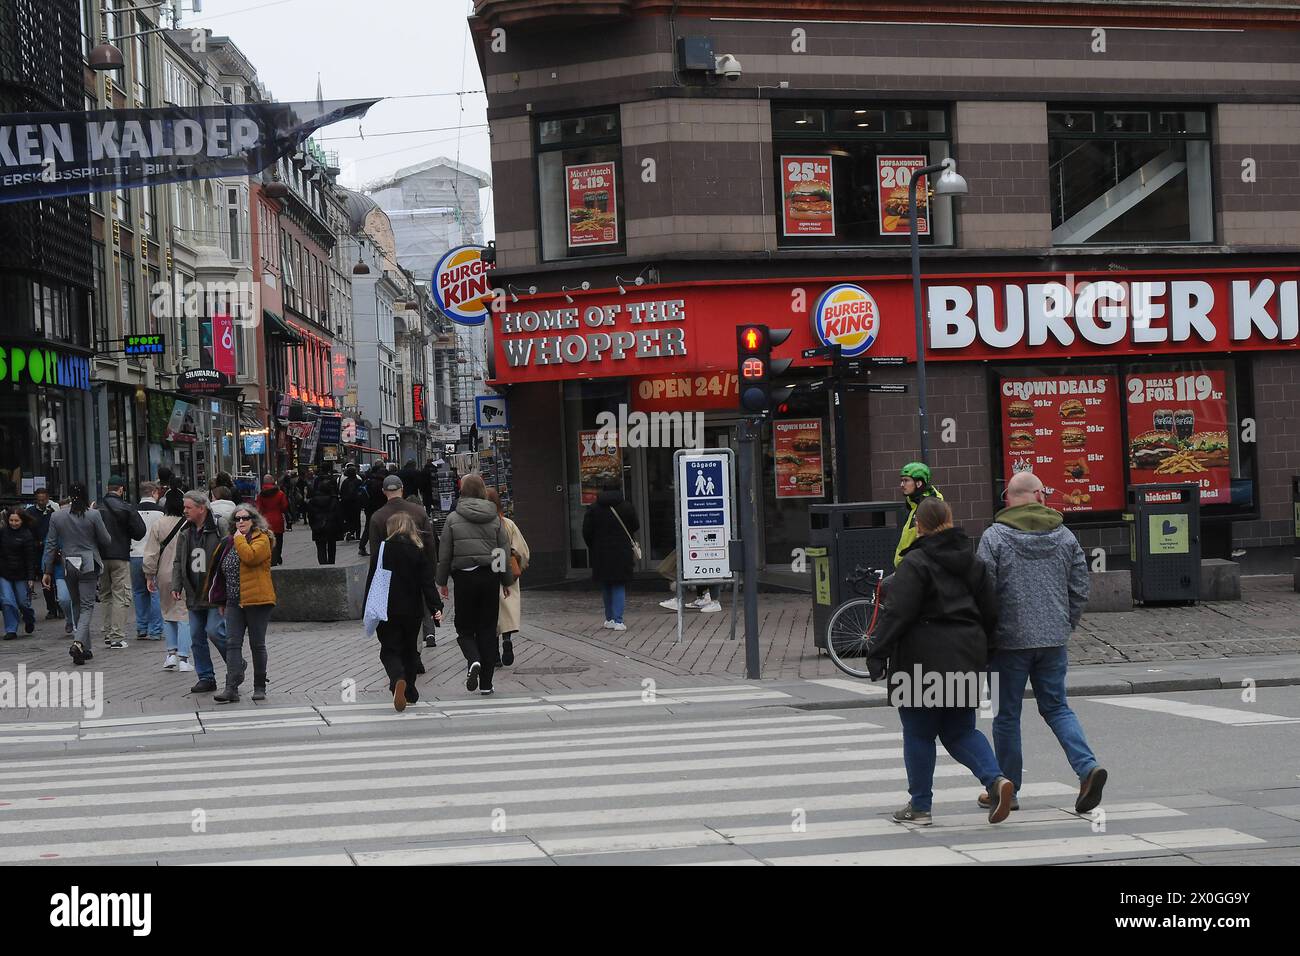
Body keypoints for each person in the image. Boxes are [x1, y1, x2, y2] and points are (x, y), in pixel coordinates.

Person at [864, 497, 1016, 827]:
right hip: (966, 653)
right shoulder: (973, 563)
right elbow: (991, 612)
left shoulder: (916, 562)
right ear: (949, 519)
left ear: (919, 525)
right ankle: (996, 780)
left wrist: (877, 653)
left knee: (918, 733)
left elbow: (898, 613)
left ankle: (920, 806)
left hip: (921, 657)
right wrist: (986, 651)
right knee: (961, 731)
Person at [977, 470, 1107, 815]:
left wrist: (988, 634)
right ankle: (1086, 768)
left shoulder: (994, 538)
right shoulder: (1065, 537)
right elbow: (1080, 587)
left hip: (1008, 643)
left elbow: (984, 591)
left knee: (1006, 716)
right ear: (1038, 495)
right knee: (1057, 707)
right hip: (1053, 640)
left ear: (1009, 499)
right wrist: (1066, 623)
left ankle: (1008, 790)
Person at [436, 473, 514, 696]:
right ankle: (487, 684)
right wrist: (505, 580)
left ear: (462, 491)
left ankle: (473, 660)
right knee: (488, 629)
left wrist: (441, 581)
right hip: (490, 577)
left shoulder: (453, 518)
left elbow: (445, 553)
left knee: (464, 627)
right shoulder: (495, 518)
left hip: (465, 579)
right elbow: (503, 551)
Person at [375, 512, 444, 711]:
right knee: (410, 650)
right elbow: (427, 582)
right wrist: (435, 607)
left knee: (389, 649)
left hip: (387, 608)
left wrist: (367, 609)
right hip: (413, 609)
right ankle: (411, 691)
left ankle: (397, 679)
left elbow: (374, 576)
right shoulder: (417, 550)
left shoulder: (384, 549)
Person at [42, 483, 112, 658]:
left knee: (77, 604)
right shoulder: (93, 514)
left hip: (68, 563)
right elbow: (106, 540)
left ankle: (85, 648)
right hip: (88, 562)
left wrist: (47, 570)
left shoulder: (57, 516)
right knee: (88, 606)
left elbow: (50, 544)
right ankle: (78, 642)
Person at [215, 505, 277, 703]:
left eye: (245, 518)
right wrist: (221, 599)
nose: (240, 522)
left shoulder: (262, 539)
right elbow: (221, 571)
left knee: (257, 644)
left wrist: (239, 539)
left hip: (258, 600)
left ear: (254, 521)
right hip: (234, 601)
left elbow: (250, 557)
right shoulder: (229, 542)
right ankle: (231, 687)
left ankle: (260, 686)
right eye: (237, 519)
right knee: (232, 643)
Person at [171, 490, 230, 694]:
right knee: (196, 635)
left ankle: (234, 664)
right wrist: (176, 585)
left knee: (214, 631)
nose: (184, 511)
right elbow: (179, 560)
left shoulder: (219, 527)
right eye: (184, 507)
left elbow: (230, 555)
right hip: (194, 592)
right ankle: (206, 677)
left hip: (215, 591)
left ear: (201, 508)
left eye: (188, 507)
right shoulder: (185, 532)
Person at [143, 489, 192, 673]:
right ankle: (184, 657)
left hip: (163, 574)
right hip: (185, 574)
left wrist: (149, 575)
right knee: (184, 614)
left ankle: (170, 654)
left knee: (168, 612)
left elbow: (151, 553)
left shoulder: (159, 524)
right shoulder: (189, 524)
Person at [95, 475, 146, 648]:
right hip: (120, 556)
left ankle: (108, 633)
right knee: (120, 595)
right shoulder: (126, 507)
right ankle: (117, 636)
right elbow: (139, 531)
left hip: (100, 557)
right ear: (121, 489)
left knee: (105, 595)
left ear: (108, 488)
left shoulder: (97, 507)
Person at [581, 479, 639, 631]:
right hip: (622, 552)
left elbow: (586, 531)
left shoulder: (594, 508)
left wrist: (593, 546)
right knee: (619, 584)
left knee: (606, 584)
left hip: (601, 553)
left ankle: (610, 618)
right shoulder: (627, 506)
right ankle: (619, 621)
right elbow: (636, 525)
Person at [485, 488, 528, 666]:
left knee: (490, 613)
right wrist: (520, 565)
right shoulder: (507, 523)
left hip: (488, 570)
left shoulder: (483, 524)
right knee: (507, 609)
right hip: (508, 570)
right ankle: (507, 639)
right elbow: (522, 550)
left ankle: (494, 653)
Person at [129, 481, 165, 642]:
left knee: (138, 592)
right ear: (153, 493)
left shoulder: (132, 511)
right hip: (154, 556)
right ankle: (156, 630)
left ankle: (141, 628)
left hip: (135, 555)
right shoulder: (161, 513)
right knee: (155, 593)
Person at [0, 508, 40, 640]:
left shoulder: (27, 535)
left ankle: (29, 618)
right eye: (11, 520)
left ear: (22, 521)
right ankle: (11, 629)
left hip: (21, 574)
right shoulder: (3, 533)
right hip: (4, 572)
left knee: (23, 602)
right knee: (7, 601)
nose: (13, 523)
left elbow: (30, 558)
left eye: (16, 520)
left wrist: (30, 577)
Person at [25, 488, 59, 620]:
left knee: (56, 578)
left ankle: (59, 606)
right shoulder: (30, 513)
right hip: (38, 550)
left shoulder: (53, 511)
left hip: (53, 549)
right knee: (46, 579)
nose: (41, 502)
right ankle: (51, 608)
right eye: (39, 500)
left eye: (43, 500)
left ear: (47, 498)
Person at [307, 471, 343, 565]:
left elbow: (310, 516)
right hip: (331, 526)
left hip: (318, 527)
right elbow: (338, 515)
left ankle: (323, 566)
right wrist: (340, 528)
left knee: (320, 548)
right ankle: (331, 564)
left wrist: (313, 526)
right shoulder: (334, 500)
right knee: (332, 547)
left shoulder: (313, 501)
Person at [256, 475, 292, 566]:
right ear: (273, 481)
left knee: (267, 540)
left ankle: (270, 557)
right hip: (277, 519)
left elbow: (258, 508)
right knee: (279, 540)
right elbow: (284, 506)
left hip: (265, 520)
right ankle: (278, 556)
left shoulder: (261, 494)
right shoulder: (280, 493)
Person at [359, 463, 387, 558]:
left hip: (369, 508)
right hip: (380, 507)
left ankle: (362, 546)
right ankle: (380, 547)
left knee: (368, 527)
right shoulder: (381, 483)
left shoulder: (368, 480)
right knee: (382, 527)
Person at [338, 463, 364, 542]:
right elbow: (362, 491)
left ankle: (350, 531)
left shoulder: (345, 481)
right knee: (357, 519)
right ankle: (357, 535)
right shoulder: (359, 481)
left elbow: (341, 491)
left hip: (346, 503)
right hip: (356, 503)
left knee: (349, 519)